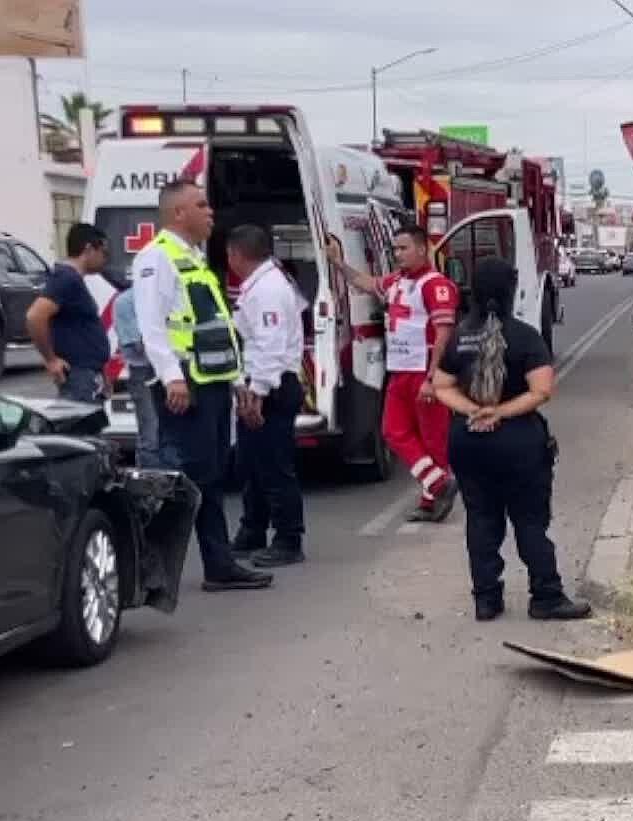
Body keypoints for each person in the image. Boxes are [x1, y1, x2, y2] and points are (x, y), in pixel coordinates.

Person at [431, 256, 592, 623]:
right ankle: (546, 596)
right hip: (518, 442)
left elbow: (441, 386)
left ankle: (486, 600)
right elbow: (541, 390)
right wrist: (499, 412)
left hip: (468, 441)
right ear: (511, 291)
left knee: (481, 517)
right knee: (530, 520)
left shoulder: (459, 335)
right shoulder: (524, 336)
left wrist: (472, 410)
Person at [134, 179, 272, 591]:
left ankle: (217, 564)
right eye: (201, 204)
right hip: (185, 388)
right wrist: (173, 377)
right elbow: (152, 325)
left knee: (207, 476)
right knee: (188, 480)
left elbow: (217, 329)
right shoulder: (157, 258)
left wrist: (237, 380)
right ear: (179, 213)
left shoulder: (192, 258)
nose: (211, 212)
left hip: (208, 384)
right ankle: (148, 567)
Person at [324, 226, 460, 522]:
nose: (398, 254)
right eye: (395, 249)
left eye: (404, 248)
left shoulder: (435, 285)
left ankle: (431, 501)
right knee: (392, 431)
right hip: (399, 372)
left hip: (423, 371)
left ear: (423, 249)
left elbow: (444, 334)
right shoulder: (396, 282)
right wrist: (337, 262)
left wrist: (432, 377)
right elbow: (365, 282)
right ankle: (438, 484)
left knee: (433, 440)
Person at [225, 225, 309, 568]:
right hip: (261, 384)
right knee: (253, 465)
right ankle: (253, 530)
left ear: (236, 254)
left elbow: (269, 344)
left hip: (272, 386)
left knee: (275, 467)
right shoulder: (262, 284)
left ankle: (289, 538)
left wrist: (257, 392)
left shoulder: (269, 288)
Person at [27, 223, 112, 404]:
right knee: (81, 429)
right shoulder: (66, 278)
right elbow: (35, 316)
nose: (106, 259)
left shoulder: (72, 279)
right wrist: (50, 359)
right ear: (88, 249)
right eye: (104, 252)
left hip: (88, 373)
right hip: (78, 376)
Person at [109, 275, 165, 469]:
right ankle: (151, 487)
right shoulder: (126, 302)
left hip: (169, 370)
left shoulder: (165, 298)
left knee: (170, 434)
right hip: (143, 371)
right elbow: (136, 344)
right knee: (151, 434)